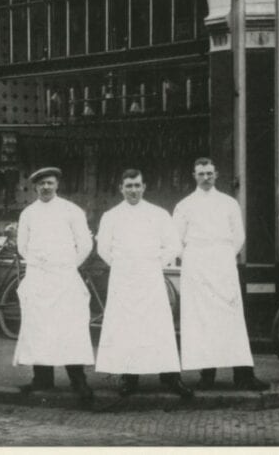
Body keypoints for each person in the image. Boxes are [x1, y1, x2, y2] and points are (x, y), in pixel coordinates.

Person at [172, 158, 269, 391]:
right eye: (201, 173)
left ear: (216, 175)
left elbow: (239, 236)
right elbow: (176, 240)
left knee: (232, 320)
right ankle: (207, 375)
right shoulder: (184, 205)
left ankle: (243, 375)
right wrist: (196, 261)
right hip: (197, 268)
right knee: (203, 322)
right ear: (194, 176)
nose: (206, 177)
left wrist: (224, 258)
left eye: (209, 173)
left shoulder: (229, 203)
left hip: (224, 266)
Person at [95, 168, 192, 399]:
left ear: (144, 187)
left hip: (150, 278)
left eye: (137, 185)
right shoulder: (110, 216)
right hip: (124, 279)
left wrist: (153, 263)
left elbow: (173, 245)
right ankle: (130, 378)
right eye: (128, 186)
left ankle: (169, 376)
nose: (133, 190)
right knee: (127, 328)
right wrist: (123, 265)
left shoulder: (158, 214)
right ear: (121, 188)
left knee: (158, 327)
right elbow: (103, 249)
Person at [13, 166, 95, 407]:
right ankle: (42, 379)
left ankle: (78, 380)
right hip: (39, 278)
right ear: (35, 187)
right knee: (39, 327)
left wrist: (69, 265)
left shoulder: (71, 211)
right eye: (41, 184)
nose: (45, 187)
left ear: (57, 184)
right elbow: (22, 245)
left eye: (49, 183)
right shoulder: (28, 213)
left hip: (65, 278)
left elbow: (85, 244)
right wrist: (39, 263)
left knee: (70, 328)